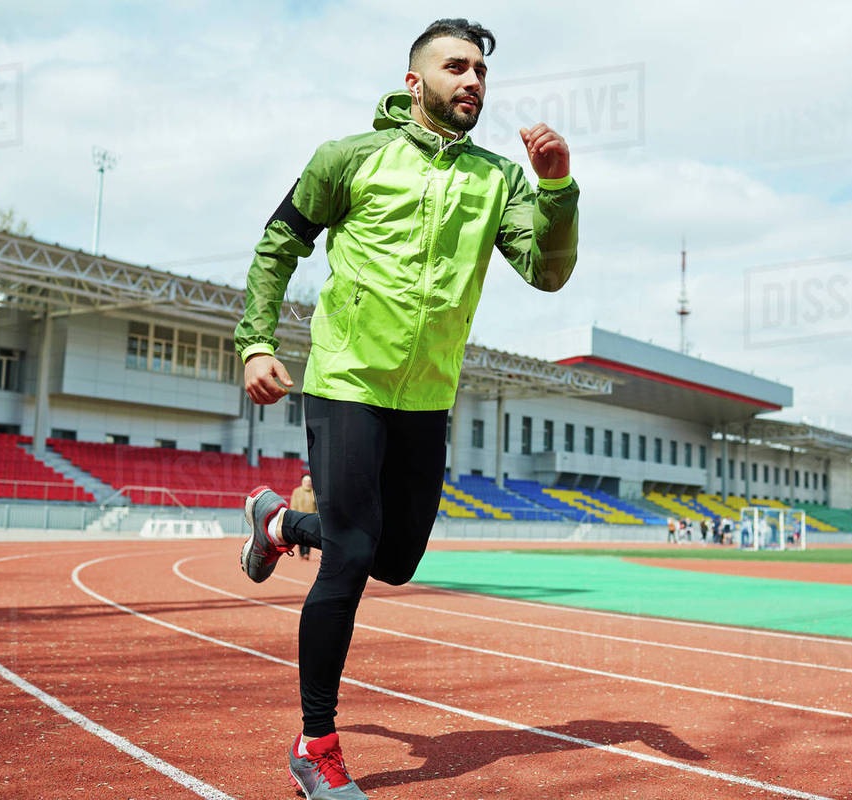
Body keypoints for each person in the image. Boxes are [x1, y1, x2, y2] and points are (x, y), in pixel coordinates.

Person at [234, 18, 579, 800]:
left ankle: (279, 524)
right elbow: (278, 242)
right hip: (348, 379)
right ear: (414, 82)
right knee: (352, 554)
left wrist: (556, 190)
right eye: (457, 67)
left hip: (428, 395)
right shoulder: (349, 157)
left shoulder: (499, 178)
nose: (473, 81)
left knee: (394, 562)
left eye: (481, 71)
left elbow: (547, 272)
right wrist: (256, 342)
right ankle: (315, 745)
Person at [289, 474, 316, 559]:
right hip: (299, 518)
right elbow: (293, 505)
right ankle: (302, 553)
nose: (308, 483)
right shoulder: (296, 491)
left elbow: (317, 507)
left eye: (309, 481)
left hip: (311, 518)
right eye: (306, 481)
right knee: (300, 536)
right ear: (302, 482)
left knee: (309, 537)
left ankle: (306, 553)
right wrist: (295, 515)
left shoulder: (314, 492)